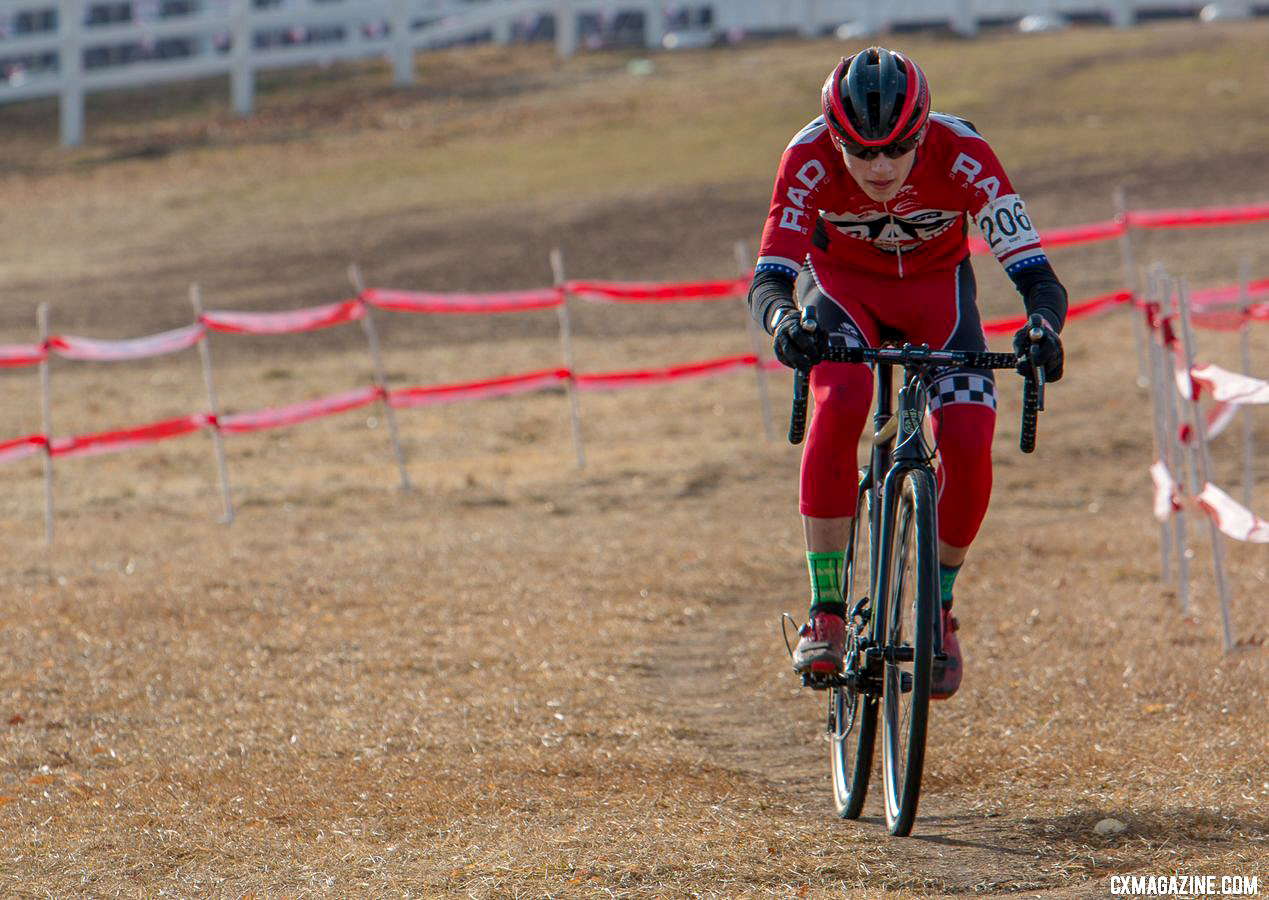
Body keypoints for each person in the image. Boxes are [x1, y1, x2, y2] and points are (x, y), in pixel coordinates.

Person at [748, 47, 1066, 698]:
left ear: (921, 132)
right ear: (834, 139)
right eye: (860, 153)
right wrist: (784, 322)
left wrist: (1041, 327)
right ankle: (827, 611)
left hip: (937, 297)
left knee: (970, 438)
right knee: (842, 398)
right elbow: (770, 278)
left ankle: (938, 606)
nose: (881, 166)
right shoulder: (804, 157)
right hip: (841, 293)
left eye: (896, 148)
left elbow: (1036, 276)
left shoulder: (964, 152)